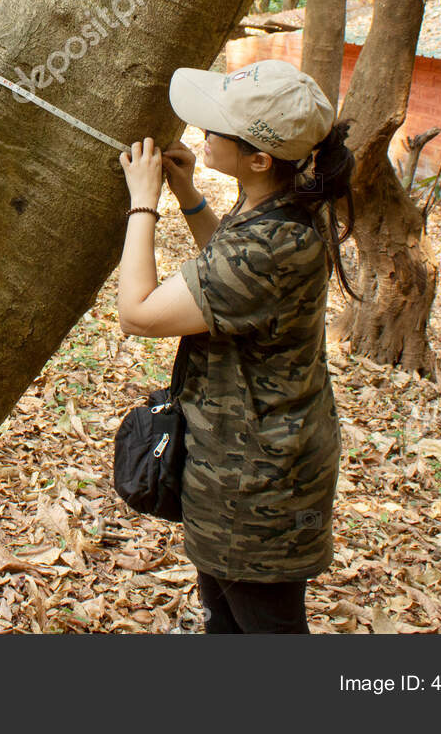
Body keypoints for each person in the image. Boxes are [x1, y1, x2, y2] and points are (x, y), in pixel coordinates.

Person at [116, 59, 355, 634]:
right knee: (225, 623)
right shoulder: (283, 208)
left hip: (260, 488)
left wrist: (143, 200)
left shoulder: (273, 243)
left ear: (260, 159)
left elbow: (138, 313)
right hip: (245, 468)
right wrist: (190, 195)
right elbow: (231, 275)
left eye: (215, 124)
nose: (201, 130)